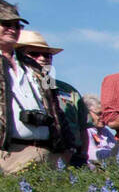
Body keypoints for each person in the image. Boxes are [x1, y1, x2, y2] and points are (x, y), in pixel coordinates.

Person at [1, 0, 76, 174]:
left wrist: (67, 147)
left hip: (45, 153)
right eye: (6, 24)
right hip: (7, 154)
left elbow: (57, 109)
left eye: (17, 25)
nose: (12, 29)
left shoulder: (41, 70)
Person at [16, 29, 87, 167]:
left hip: (71, 157)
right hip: (26, 155)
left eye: (47, 55)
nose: (43, 58)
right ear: (19, 56)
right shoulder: (12, 87)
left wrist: (82, 153)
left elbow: (84, 126)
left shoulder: (68, 90)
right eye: (34, 54)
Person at [83, 95, 117, 166]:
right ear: (87, 113)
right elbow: (91, 154)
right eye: (99, 114)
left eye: (104, 114)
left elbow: (115, 147)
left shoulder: (105, 131)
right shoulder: (86, 131)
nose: (103, 117)